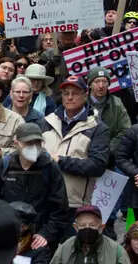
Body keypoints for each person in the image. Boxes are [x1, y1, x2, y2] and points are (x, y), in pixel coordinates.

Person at [0, 122, 72, 264]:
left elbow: (60, 207)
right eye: (28, 143)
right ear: (16, 143)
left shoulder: (50, 167)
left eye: (37, 143)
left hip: (38, 239)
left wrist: (46, 234)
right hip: (7, 237)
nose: (33, 147)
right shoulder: (4, 166)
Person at [40, 76, 112, 207]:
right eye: (66, 93)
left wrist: (61, 161)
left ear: (85, 95)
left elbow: (97, 166)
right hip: (44, 198)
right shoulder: (47, 121)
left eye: (75, 93)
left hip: (75, 203)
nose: (70, 97)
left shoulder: (97, 127)